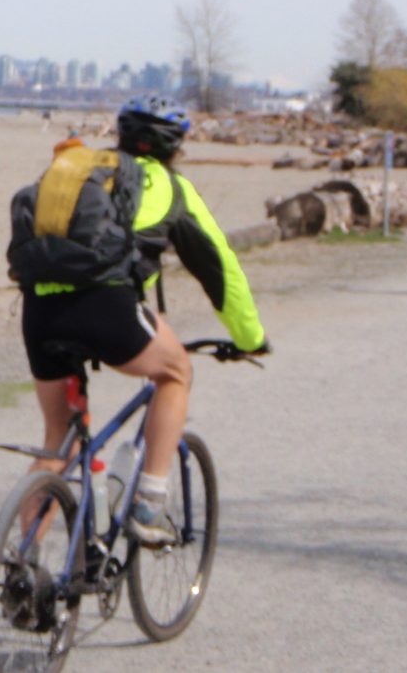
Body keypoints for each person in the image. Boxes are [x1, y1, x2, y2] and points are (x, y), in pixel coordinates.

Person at [19, 95, 269, 544]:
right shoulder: (173, 188)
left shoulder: (83, 171)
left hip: (39, 309)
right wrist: (249, 337)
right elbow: (220, 268)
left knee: (58, 437)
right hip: (106, 309)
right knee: (176, 372)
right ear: (175, 148)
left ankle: (23, 564)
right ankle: (149, 504)